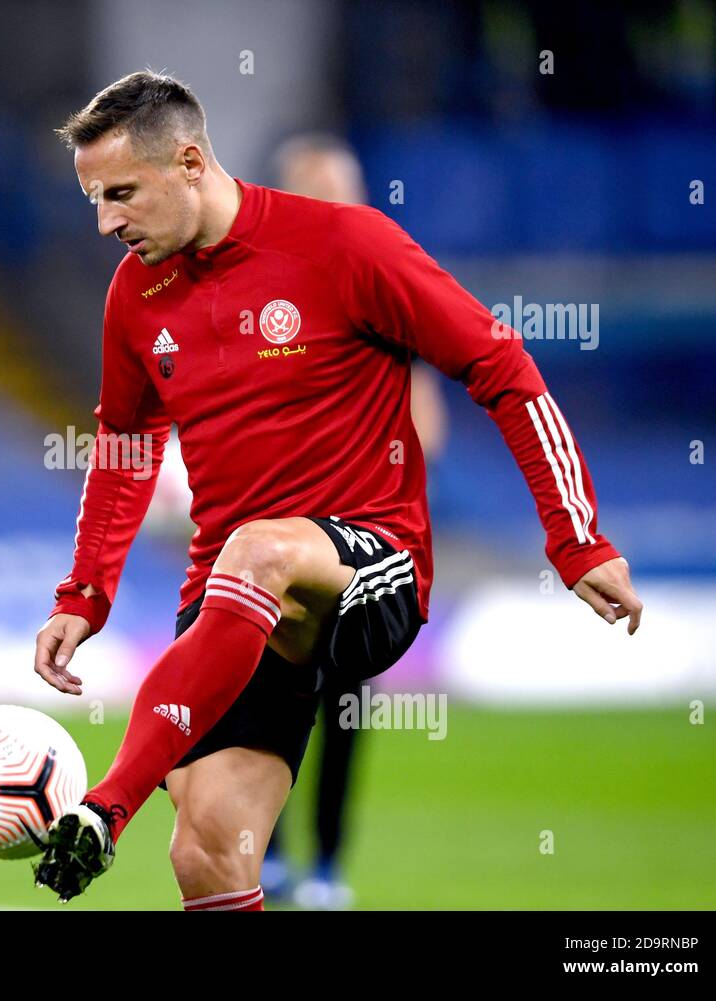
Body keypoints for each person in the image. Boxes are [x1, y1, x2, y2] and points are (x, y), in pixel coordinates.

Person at [31, 71, 642, 909]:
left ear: (191, 162)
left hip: (371, 569)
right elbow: (126, 447)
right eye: (95, 200)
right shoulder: (136, 295)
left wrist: (576, 538)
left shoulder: (345, 245)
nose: (107, 222)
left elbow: (499, 363)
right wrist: (85, 591)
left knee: (258, 549)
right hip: (235, 602)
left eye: (122, 194)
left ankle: (105, 807)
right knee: (208, 850)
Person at [261, 132, 450, 909]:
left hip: (357, 543)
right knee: (263, 691)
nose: (343, 206)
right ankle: (268, 851)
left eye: (346, 190)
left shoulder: (384, 292)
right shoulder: (257, 294)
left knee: (344, 700)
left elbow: (428, 423)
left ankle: (327, 862)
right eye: (326, 191)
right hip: (271, 536)